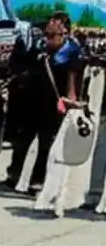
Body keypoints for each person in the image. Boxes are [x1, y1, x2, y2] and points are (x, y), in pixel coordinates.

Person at [8, 16, 83, 191]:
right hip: (32, 100)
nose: (48, 38)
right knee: (22, 140)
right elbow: (23, 70)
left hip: (54, 105)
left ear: (64, 33)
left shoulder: (72, 52)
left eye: (52, 35)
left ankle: (37, 180)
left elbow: (73, 81)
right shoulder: (38, 48)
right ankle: (14, 174)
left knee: (46, 145)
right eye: (46, 33)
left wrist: (71, 103)